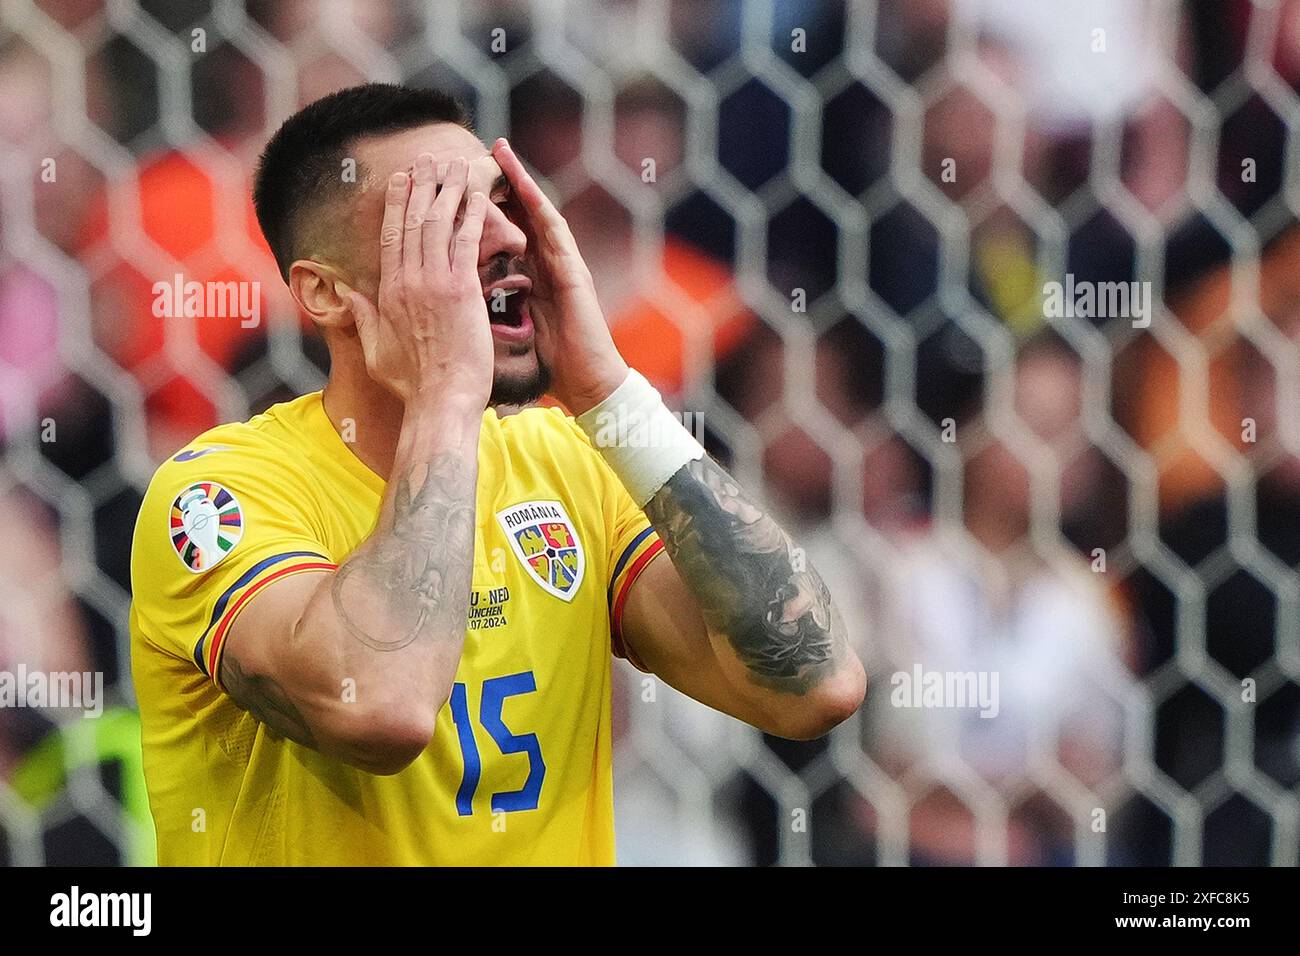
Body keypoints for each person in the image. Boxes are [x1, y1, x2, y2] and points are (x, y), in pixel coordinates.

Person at [127, 83, 866, 865]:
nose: (508, 235)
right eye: (442, 217)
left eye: (500, 201)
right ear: (326, 292)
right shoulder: (216, 496)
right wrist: (444, 395)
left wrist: (610, 394)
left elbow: (814, 685)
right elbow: (384, 706)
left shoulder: (567, 461)